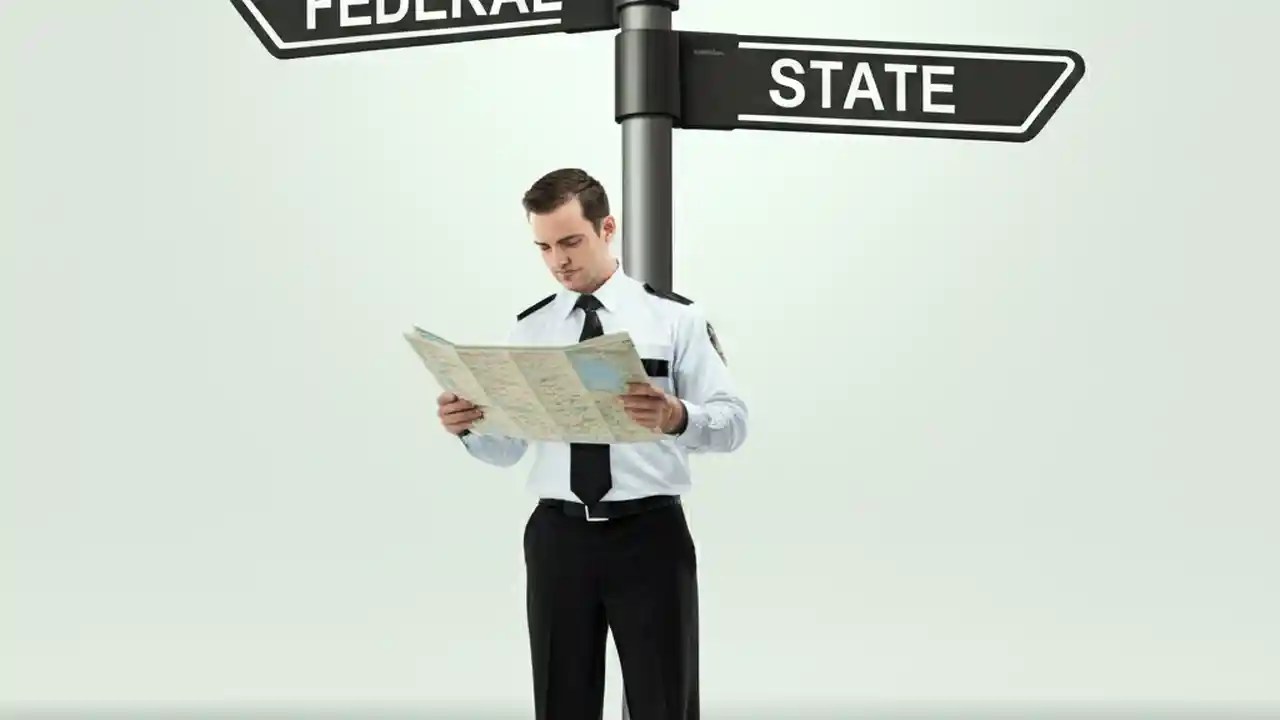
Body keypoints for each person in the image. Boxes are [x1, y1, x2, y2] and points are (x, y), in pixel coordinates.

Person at [435, 167, 748, 720]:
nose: (559, 260)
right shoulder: (531, 329)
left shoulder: (674, 319)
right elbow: (508, 449)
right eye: (545, 247)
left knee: (664, 702)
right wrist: (469, 426)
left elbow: (732, 423)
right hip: (558, 539)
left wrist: (678, 416)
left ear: (607, 228)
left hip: (648, 536)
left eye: (571, 241)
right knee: (562, 702)